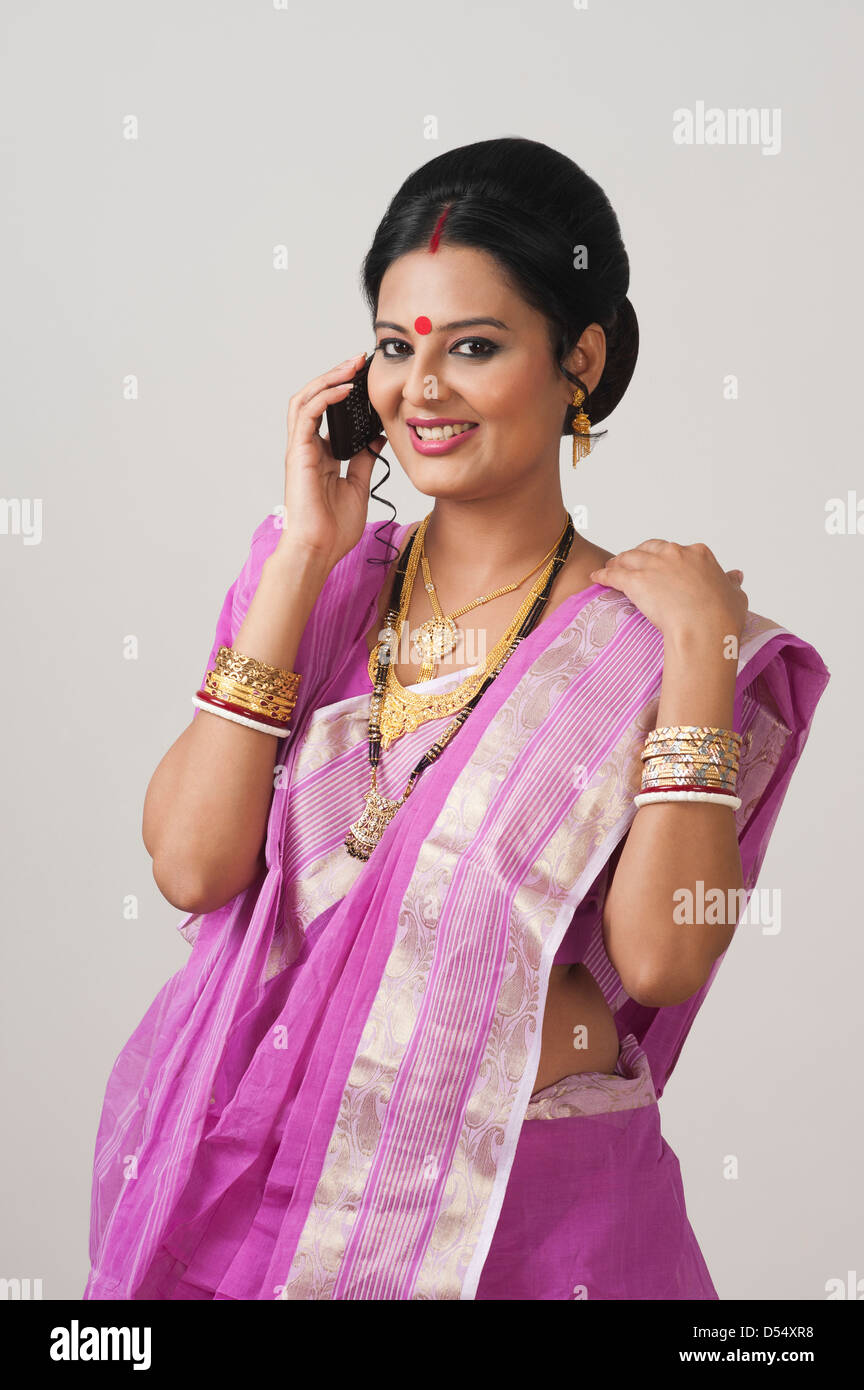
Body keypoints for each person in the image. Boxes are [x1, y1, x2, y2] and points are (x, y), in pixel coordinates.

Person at [83, 137, 829, 1301]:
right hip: (266, 1205)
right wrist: (300, 559)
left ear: (577, 357)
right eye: (395, 348)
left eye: (473, 347)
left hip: (531, 1226)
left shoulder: (660, 636)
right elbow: (191, 864)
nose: (422, 390)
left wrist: (701, 657)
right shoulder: (315, 589)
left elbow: (665, 956)